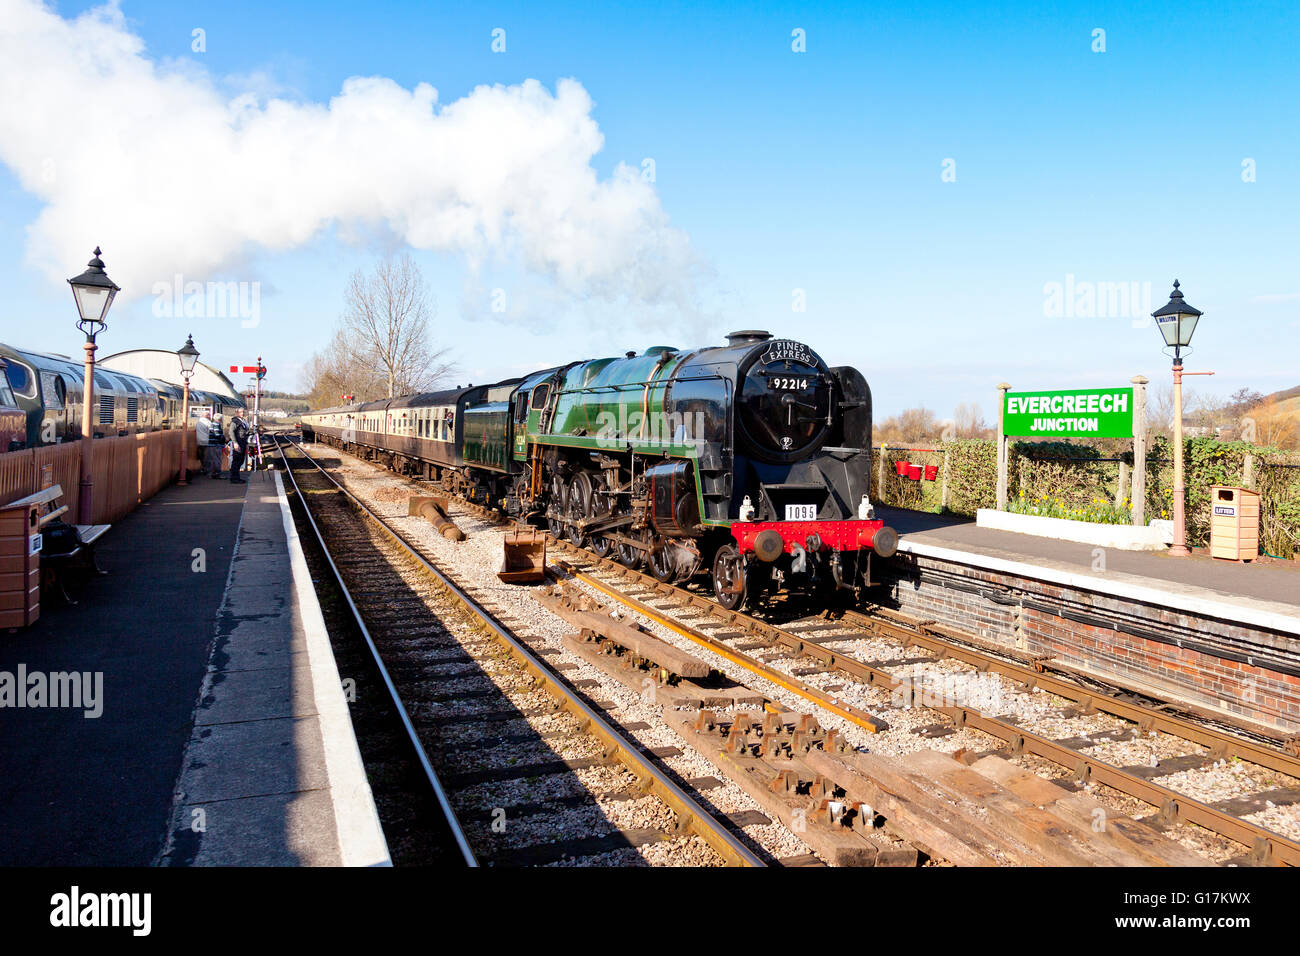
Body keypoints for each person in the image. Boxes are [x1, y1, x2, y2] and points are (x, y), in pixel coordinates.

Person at [227, 409, 250, 484]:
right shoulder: (235, 421)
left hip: (243, 442)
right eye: (240, 412)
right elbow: (231, 432)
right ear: (237, 413)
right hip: (238, 442)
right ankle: (234, 478)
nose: (242, 413)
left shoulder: (243, 421)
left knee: (241, 460)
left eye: (243, 412)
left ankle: (237, 477)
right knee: (236, 460)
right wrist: (235, 443)